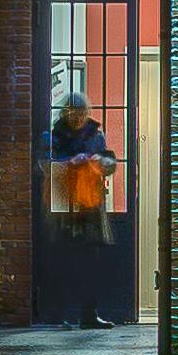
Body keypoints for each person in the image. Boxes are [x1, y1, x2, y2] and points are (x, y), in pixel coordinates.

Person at [47, 93, 118, 320]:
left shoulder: (96, 135)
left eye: (82, 113)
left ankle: (89, 314)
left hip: (89, 205)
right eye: (73, 113)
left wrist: (101, 161)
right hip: (63, 204)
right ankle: (61, 313)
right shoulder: (52, 135)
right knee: (64, 261)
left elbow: (109, 165)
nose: (78, 118)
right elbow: (42, 165)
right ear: (65, 113)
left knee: (89, 263)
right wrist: (69, 164)